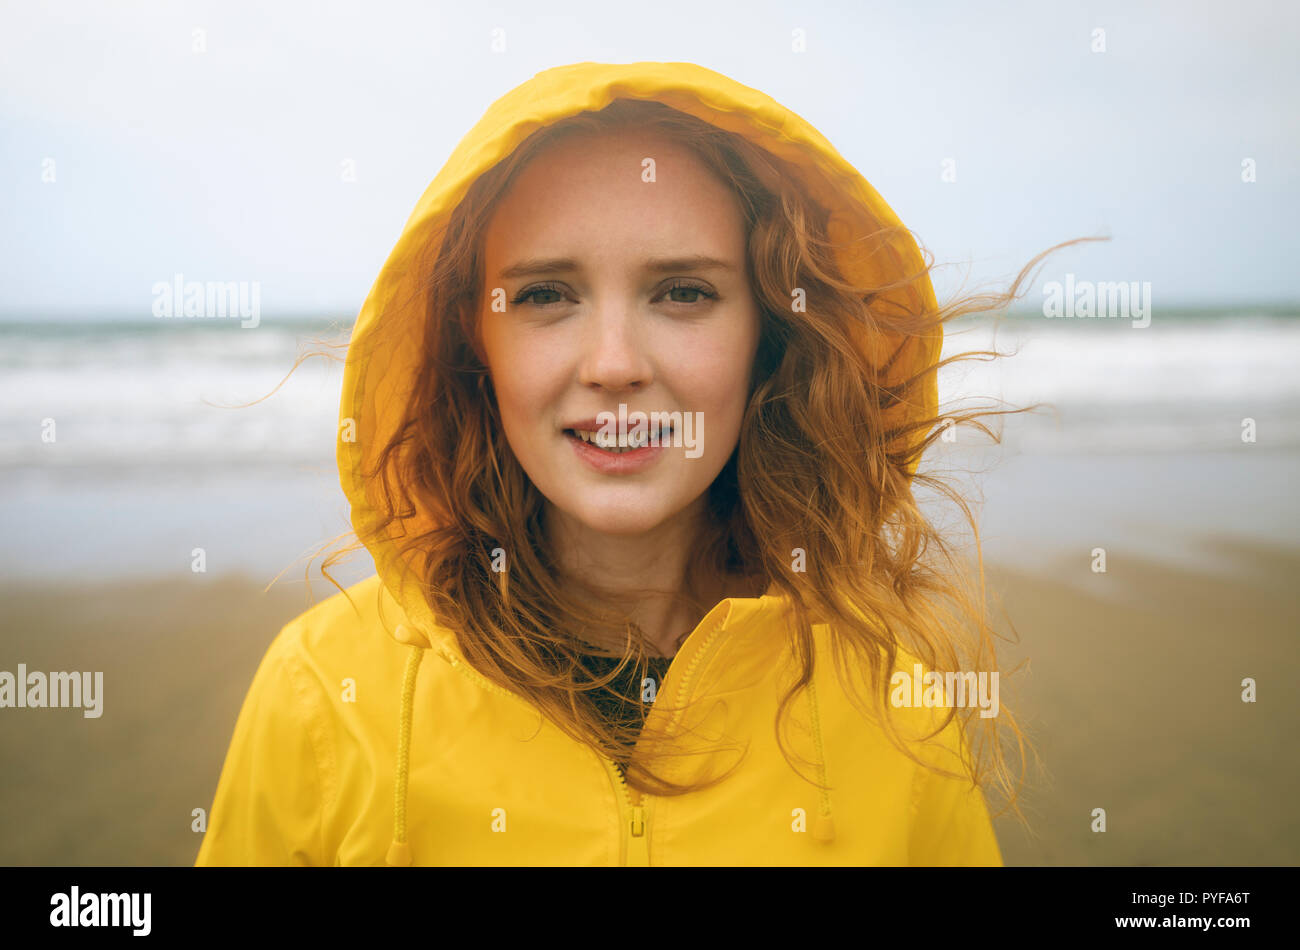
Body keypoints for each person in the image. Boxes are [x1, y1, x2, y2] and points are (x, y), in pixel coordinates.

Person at [196, 60, 1038, 866]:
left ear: (770, 335)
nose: (612, 363)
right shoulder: (322, 691)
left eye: (682, 292)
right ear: (472, 339)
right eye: (544, 295)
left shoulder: (890, 694)